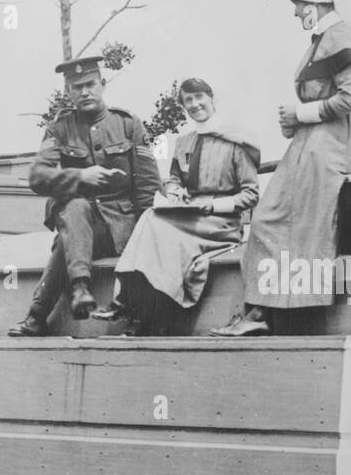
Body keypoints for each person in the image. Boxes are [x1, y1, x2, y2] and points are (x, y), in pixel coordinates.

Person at [210, 0, 351, 337]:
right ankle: (259, 312)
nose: (296, 13)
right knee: (269, 221)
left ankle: (274, 314)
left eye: (299, 6)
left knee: (299, 227)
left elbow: (347, 100)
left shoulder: (342, 36)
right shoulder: (324, 38)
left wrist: (300, 113)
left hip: (328, 147)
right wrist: (296, 121)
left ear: (315, 5)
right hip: (309, 144)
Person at [7, 56, 161, 336]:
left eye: (90, 84)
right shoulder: (60, 128)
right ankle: (78, 288)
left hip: (121, 228)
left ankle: (39, 314)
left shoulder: (128, 124)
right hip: (80, 223)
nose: (84, 92)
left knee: (66, 239)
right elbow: (37, 177)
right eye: (76, 87)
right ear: (68, 92)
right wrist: (80, 177)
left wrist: (145, 237)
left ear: (102, 84)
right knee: (75, 207)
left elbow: (148, 185)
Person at [97, 78, 260, 335]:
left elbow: (251, 194)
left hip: (220, 223)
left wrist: (215, 206)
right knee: (152, 218)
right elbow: (174, 178)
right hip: (188, 216)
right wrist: (174, 192)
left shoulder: (235, 141)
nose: (195, 105)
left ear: (211, 98)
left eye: (199, 98)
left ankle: (143, 314)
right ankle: (129, 301)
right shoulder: (184, 142)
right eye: (188, 101)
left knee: (166, 237)